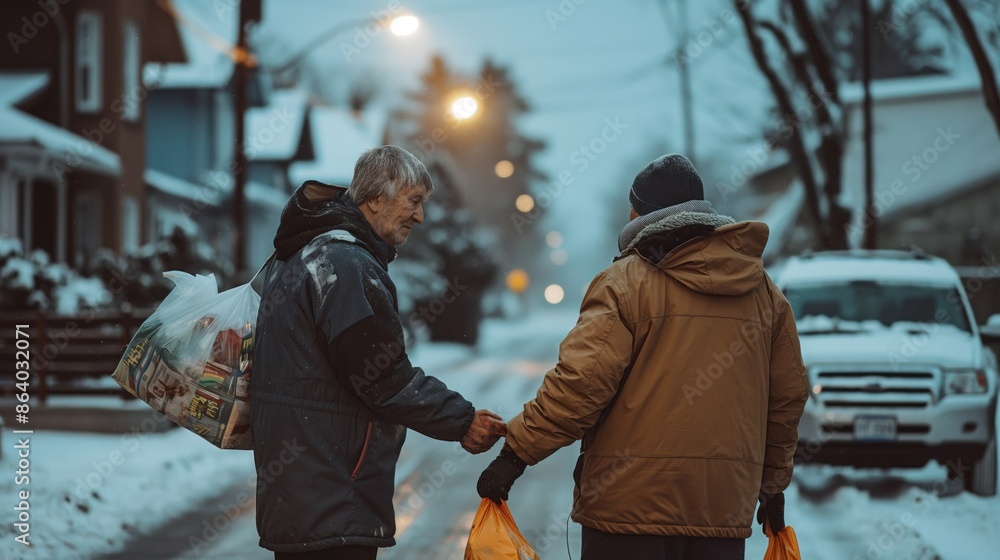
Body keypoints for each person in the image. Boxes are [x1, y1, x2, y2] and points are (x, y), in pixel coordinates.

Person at [477, 154, 808, 560]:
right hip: (721, 509)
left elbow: (581, 384)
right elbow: (787, 398)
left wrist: (515, 455)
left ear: (638, 213)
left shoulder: (624, 284)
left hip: (626, 511)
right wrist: (772, 485)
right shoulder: (765, 295)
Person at [253, 146, 506, 560]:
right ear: (374, 199)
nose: (420, 217)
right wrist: (461, 420)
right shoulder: (345, 264)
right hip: (334, 493)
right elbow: (381, 375)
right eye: (413, 201)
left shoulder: (306, 254)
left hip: (304, 490)